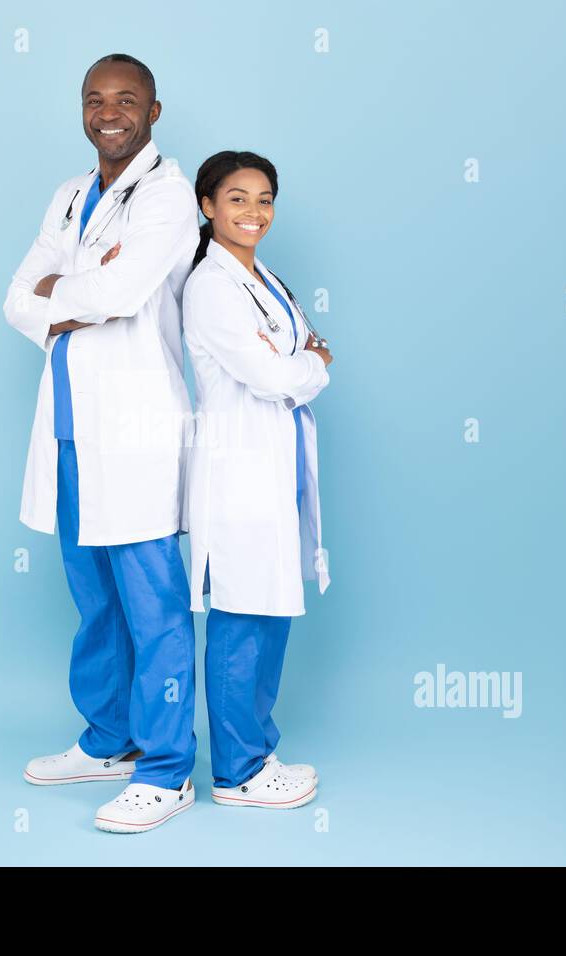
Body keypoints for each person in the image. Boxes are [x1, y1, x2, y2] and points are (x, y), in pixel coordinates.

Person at [1, 54, 200, 833]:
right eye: (94, 99)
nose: (107, 112)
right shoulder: (70, 194)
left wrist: (64, 290)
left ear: (155, 111)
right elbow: (15, 297)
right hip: (70, 430)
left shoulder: (170, 196)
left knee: (154, 608)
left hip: (138, 430)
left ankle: (167, 768)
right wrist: (67, 293)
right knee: (95, 602)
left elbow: (119, 295)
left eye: (126, 100)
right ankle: (110, 740)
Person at [181, 150, 333, 810]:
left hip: (276, 464)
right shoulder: (211, 286)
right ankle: (238, 771)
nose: (254, 211)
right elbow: (277, 374)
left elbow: (291, 354)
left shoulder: (261, 276)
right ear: (207, 206)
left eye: (265, 198)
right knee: (243, 615)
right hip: (239, 468)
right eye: (237, 198)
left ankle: (257, 752)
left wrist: (297, 358)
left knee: (271, 612)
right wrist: (313, 364)